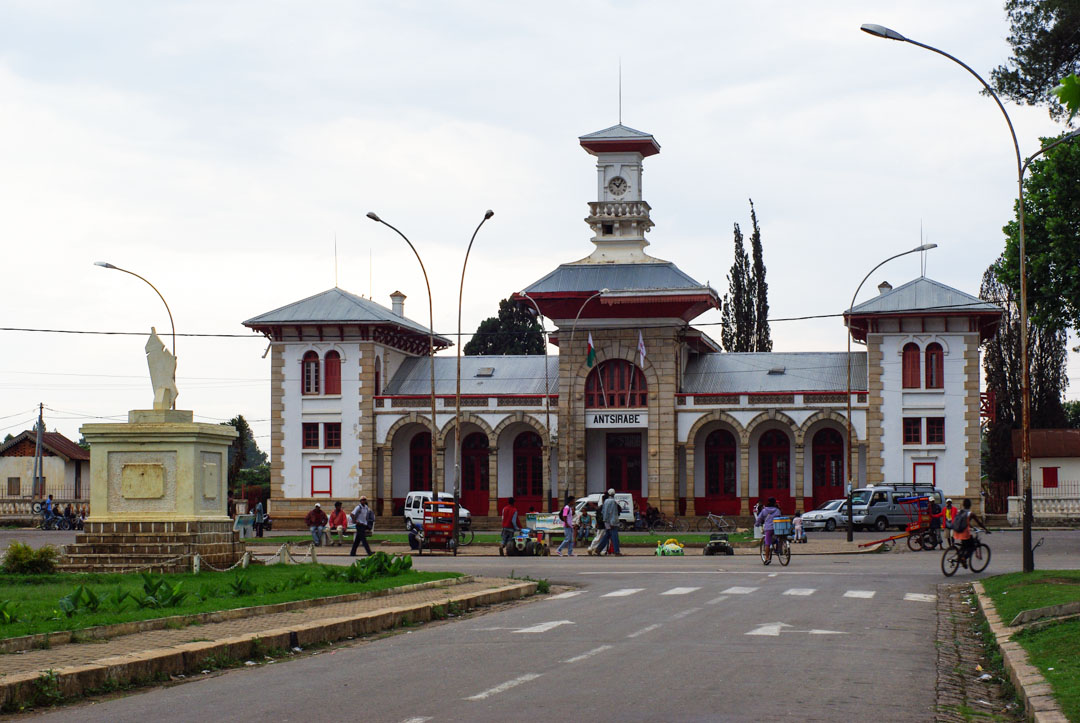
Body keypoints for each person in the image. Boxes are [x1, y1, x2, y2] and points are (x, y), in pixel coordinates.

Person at [951, 498, 986, 567]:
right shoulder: (970, 514)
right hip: (964, 533)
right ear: (970, 505)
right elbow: (979, 523)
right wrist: (986, 529)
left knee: (964, 545)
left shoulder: (960, 512)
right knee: (972, 546)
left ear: (963, 505)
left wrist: (971, 526)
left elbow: (964, 522)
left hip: (957, 532)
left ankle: (960, 557)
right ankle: (964, 558)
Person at [755, 497, 781, 564]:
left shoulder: (764, 510)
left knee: (767, 543)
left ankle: (767, 558)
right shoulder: (777, 510)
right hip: (777, 528)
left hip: (768, 528)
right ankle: (778, 549)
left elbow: (759, 518)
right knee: (778, 538)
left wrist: (757, 524)